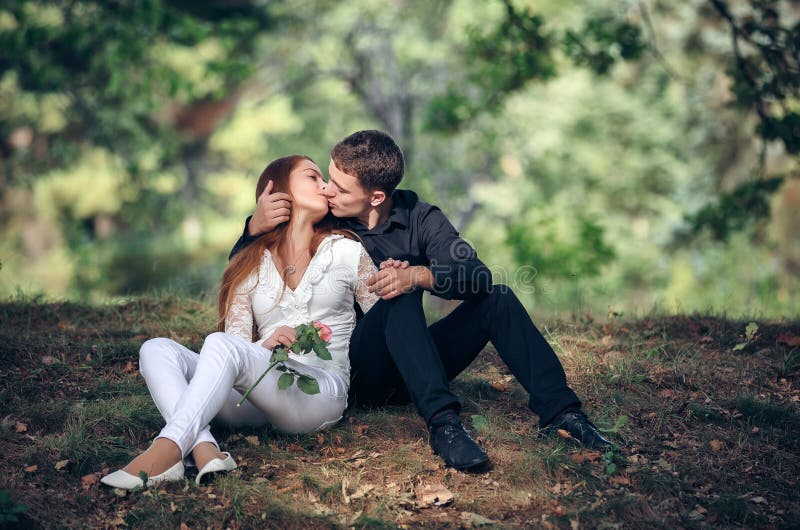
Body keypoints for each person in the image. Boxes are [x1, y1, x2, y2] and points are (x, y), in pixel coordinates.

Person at [230, 130, 612, 473]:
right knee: (398, 296)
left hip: (418, 359)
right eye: (327, 179)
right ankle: (445, 425)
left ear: (376, 197)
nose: (328, 191)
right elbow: (252, 268)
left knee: (498, 298)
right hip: (363, 369)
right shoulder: (326, 219)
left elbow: (476, 275)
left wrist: (418, 274)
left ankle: (564, 415)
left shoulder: (420, 217)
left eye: (341, 189)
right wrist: (253, 226)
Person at [101, 155, 378, 490]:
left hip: (319, 390)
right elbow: (237, 346)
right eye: (313, 176)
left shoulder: (347, 251)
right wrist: (265, 344)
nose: (326, 186)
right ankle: (204, 447)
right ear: (279, 190)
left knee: (216, 344)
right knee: (156, 349)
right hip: (259, 390)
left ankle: (168, 449)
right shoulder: (250, 261)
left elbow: (382, 324)